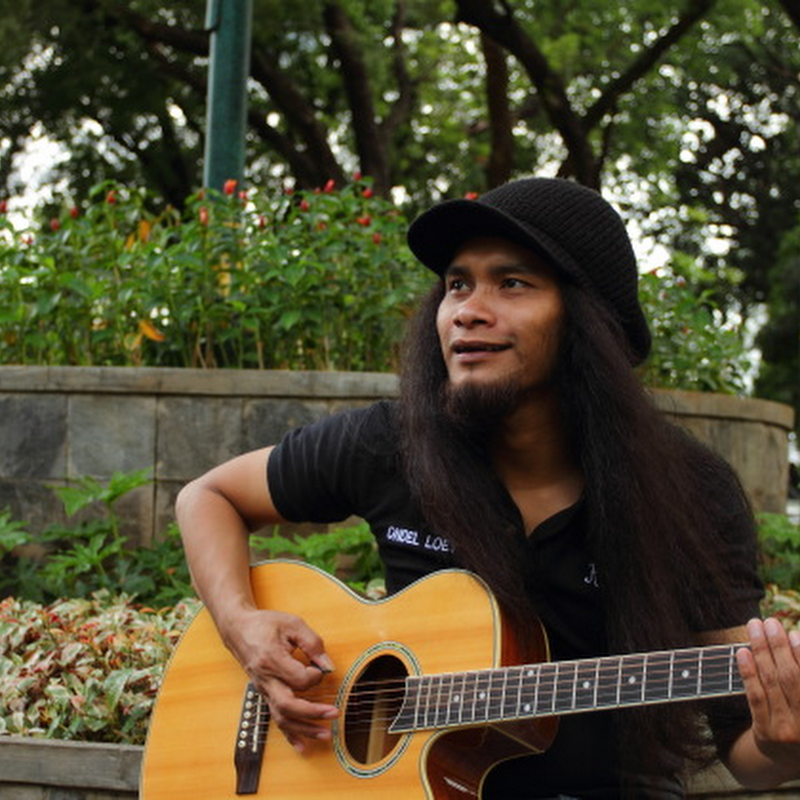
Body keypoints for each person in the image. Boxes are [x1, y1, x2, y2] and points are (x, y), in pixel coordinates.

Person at [175, 177, 800, 798]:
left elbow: (745, 750)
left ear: (589, 321)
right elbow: (208, 497)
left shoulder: (687, 491)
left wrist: (779, 745)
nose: (468, 309)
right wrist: (241, 625)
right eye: (457, 284)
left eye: (513, 282)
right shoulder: (393, 442)